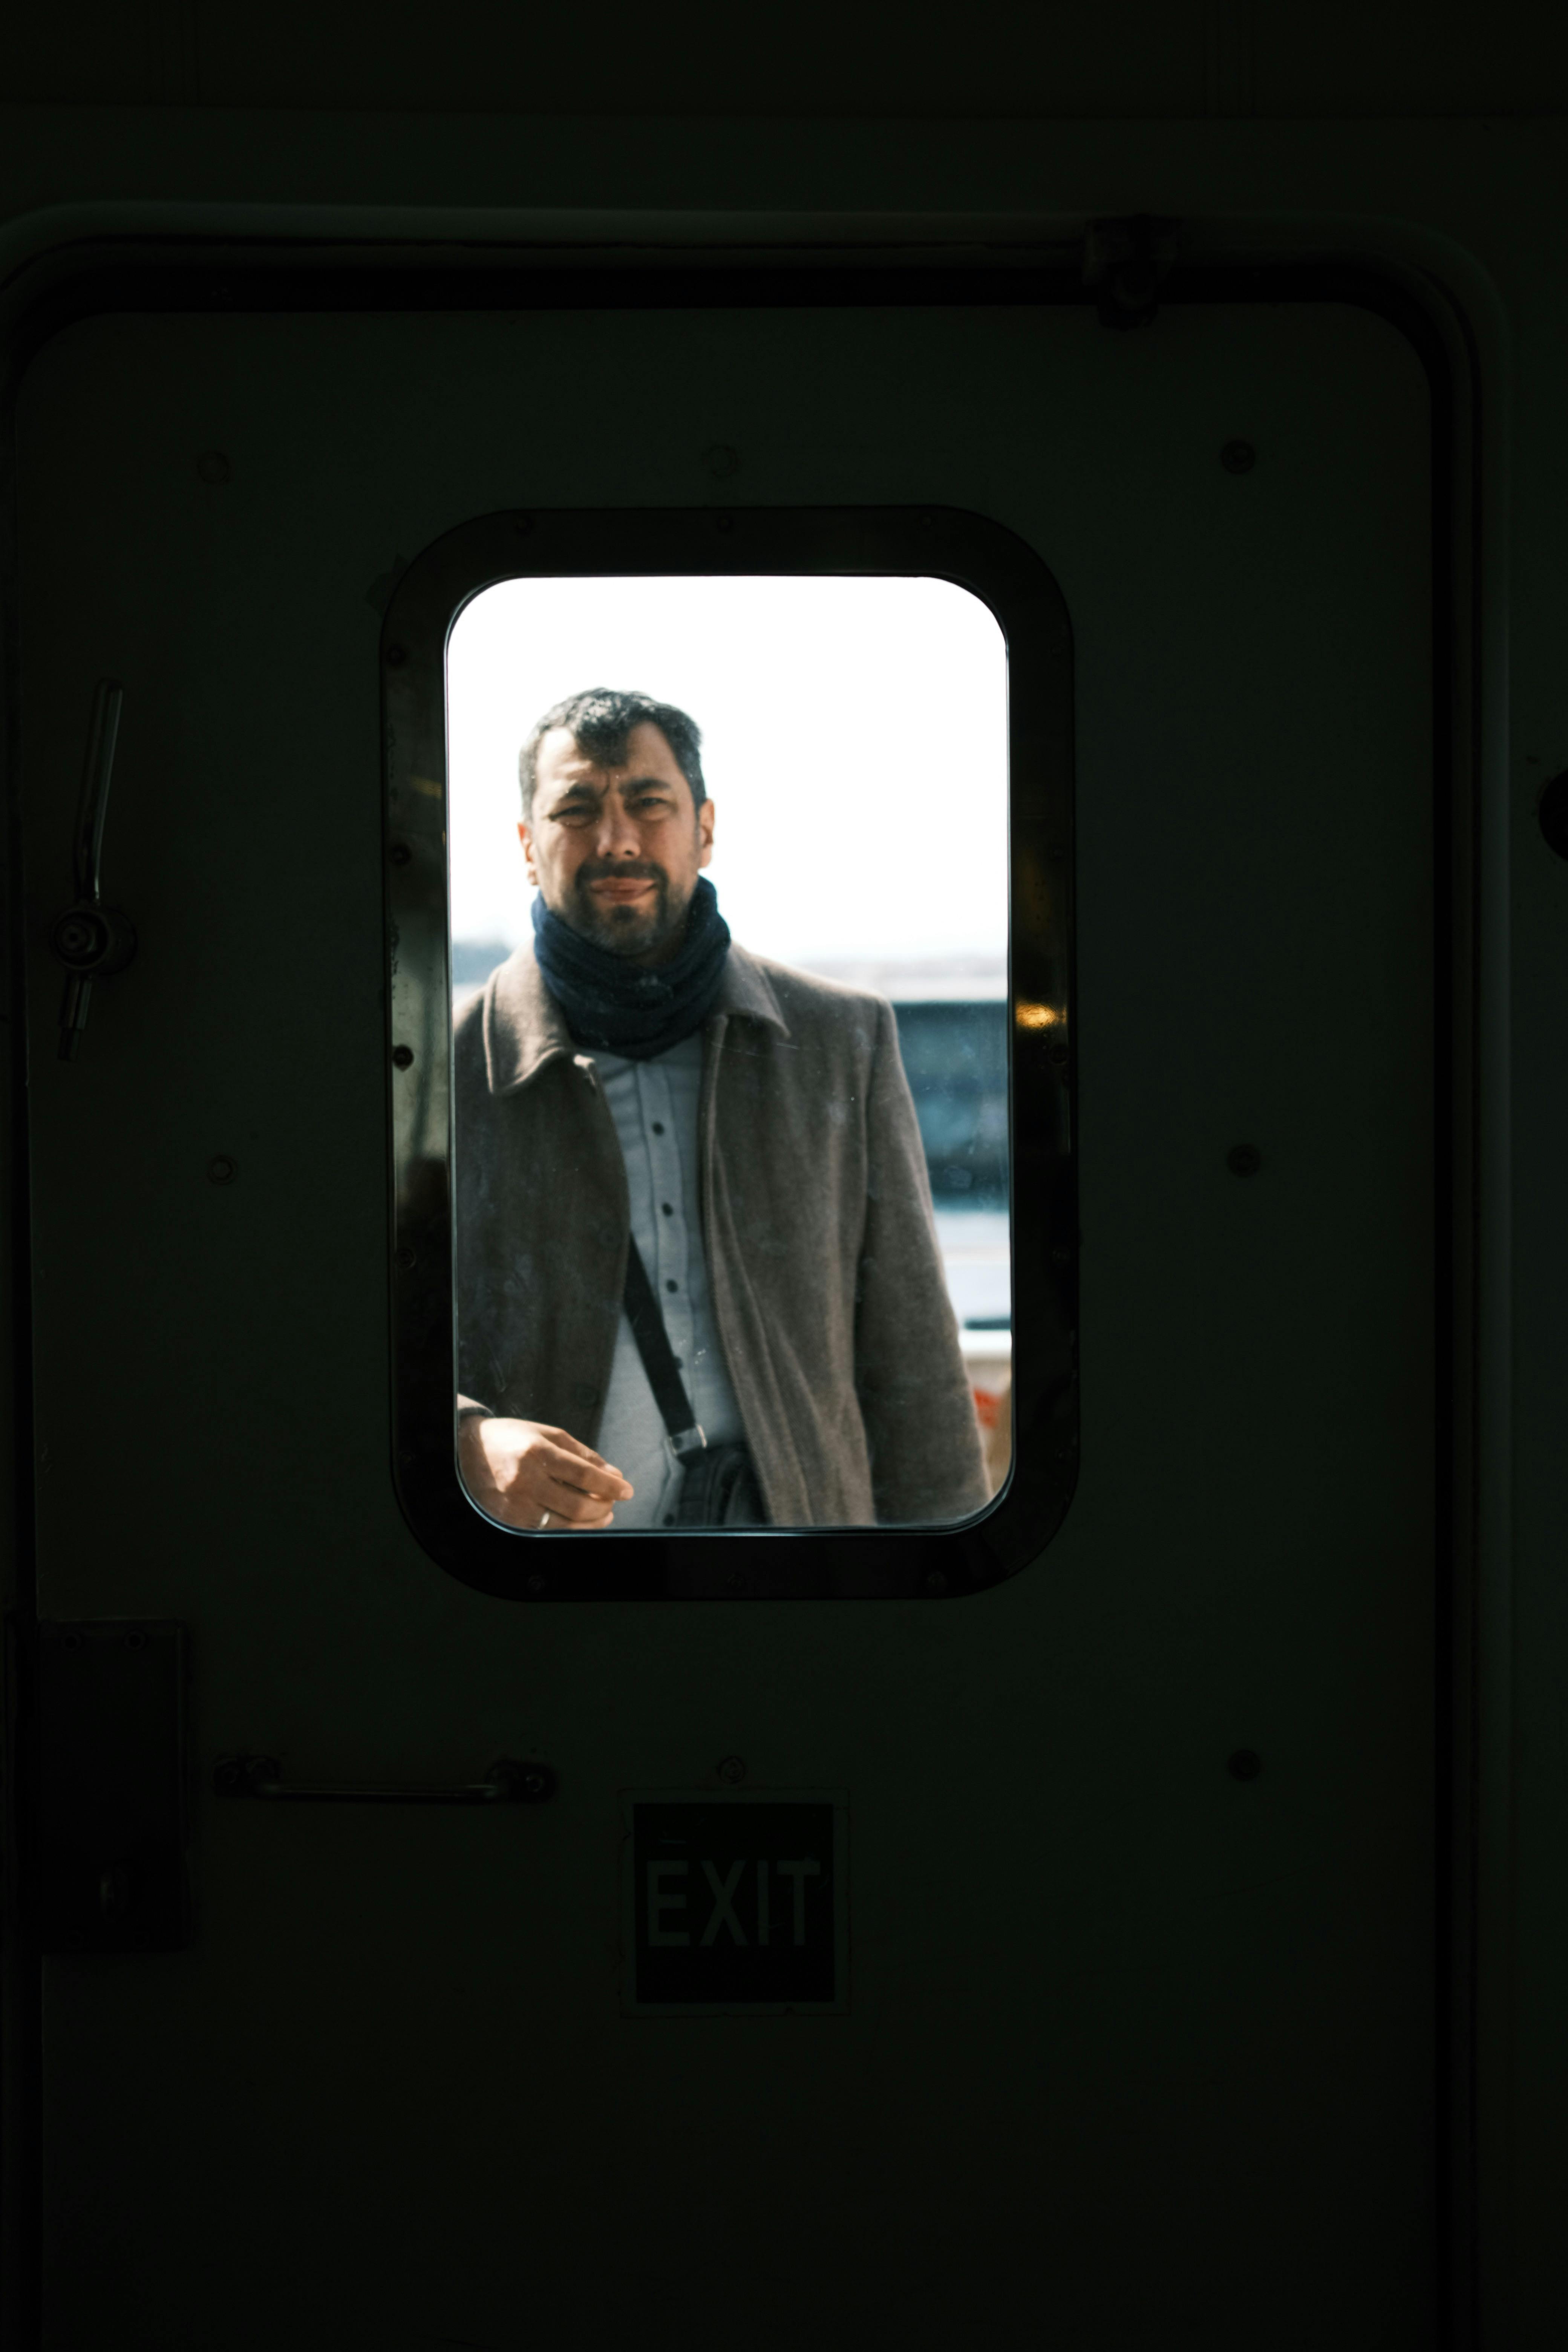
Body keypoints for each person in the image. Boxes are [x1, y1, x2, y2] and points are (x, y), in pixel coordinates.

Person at [454, 686, 988, 1534]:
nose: (617, 837)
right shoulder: (441, 1072)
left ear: (706, 829)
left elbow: (911, 1351)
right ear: (528, 845)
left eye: (649, 804)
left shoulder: (841, 1039)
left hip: (797, 1577)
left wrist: (951, 1593)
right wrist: (464, 1441)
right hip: (531, 1594)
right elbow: (351, 1331)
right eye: (577, 808)